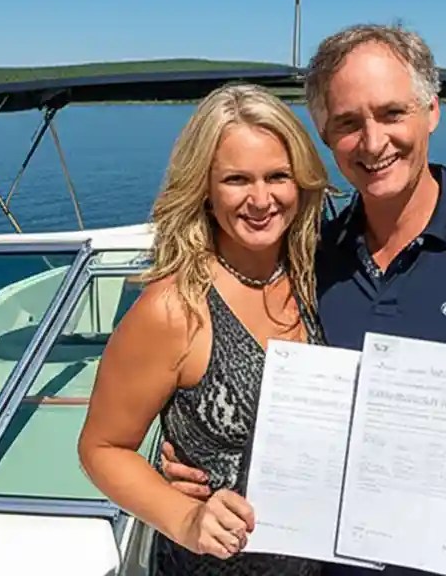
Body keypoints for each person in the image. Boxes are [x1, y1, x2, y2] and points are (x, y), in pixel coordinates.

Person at [162, 24, 446, 575]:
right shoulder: (308, 258)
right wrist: (197, 457)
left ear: (432, 111)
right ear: (324, 134)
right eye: (348, 123)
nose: (373, 143)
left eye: (392, 114)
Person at [77, 83, 332, 575]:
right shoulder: (176, 309)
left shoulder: (320, 278)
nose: (261, 199)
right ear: (206, 191)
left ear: (301, 181)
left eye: (278, 176)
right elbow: (101, 448)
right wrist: (186, 516)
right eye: (237, 180)